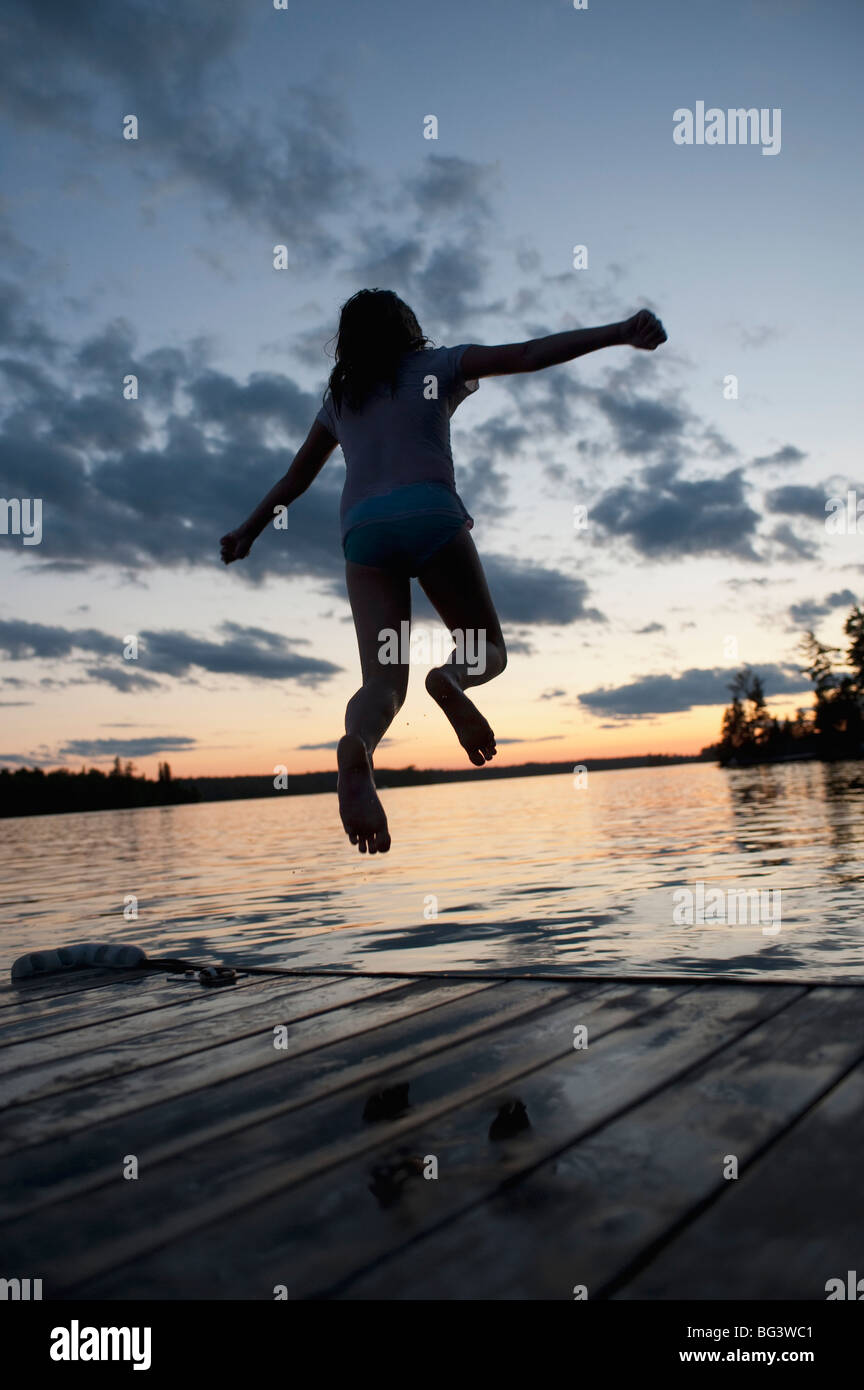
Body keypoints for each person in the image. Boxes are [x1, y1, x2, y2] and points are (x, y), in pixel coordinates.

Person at [221, 289, 666, 855]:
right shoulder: (440, 364)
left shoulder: (341, 397)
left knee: (381, 684)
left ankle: (357, 744)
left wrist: (246, 532)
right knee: (489, 649)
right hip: (430, 513)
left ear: (348, 342)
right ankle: (451, 679)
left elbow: (295, 480)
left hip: (364, 531)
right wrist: (618, 332)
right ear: (409, 327)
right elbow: (529, 354)